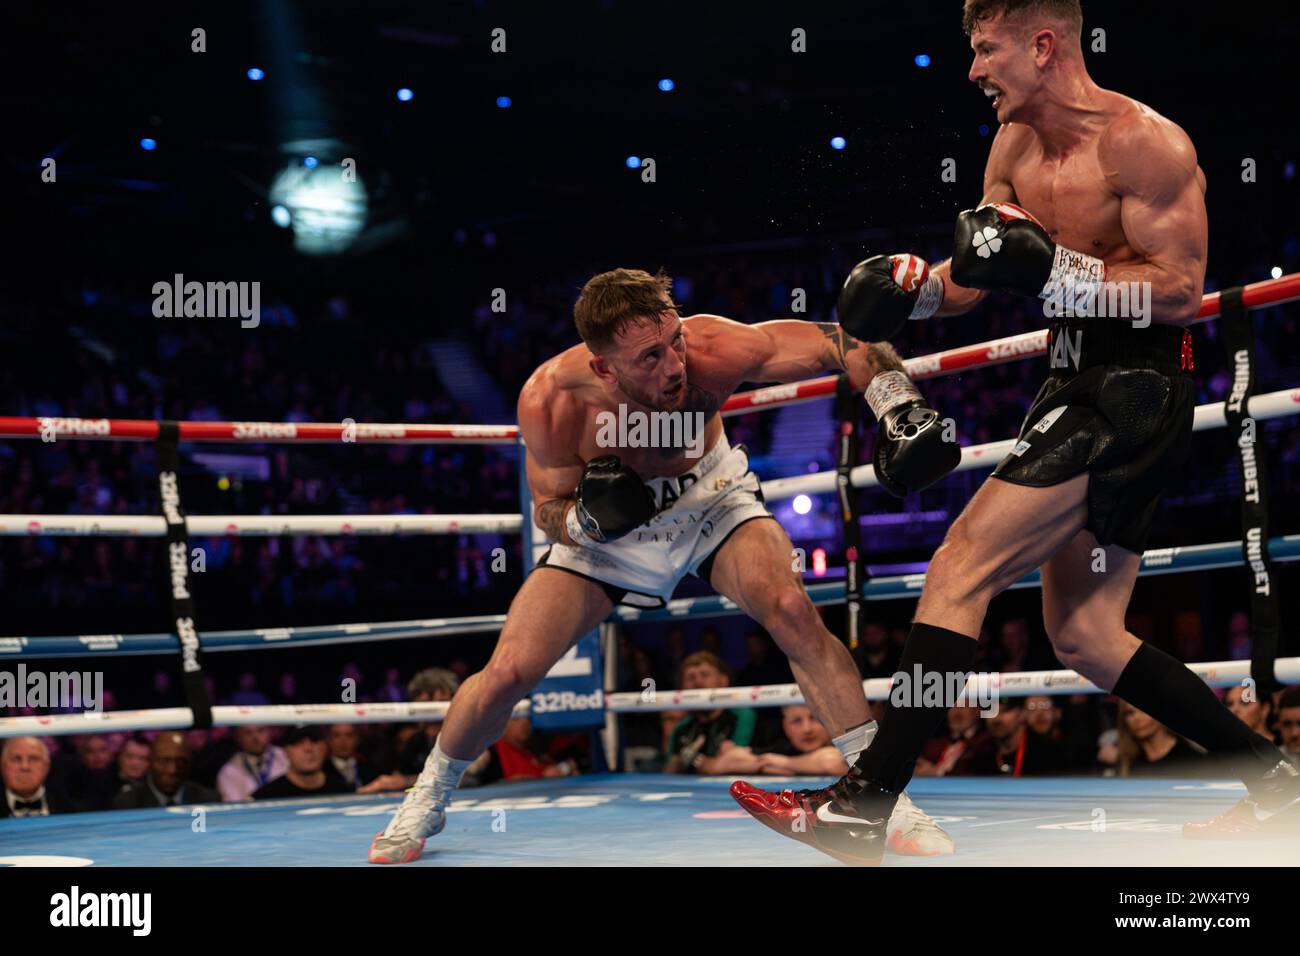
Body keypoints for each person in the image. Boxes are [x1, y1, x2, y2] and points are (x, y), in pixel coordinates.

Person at [733, 0, 1296, 862]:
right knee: (1085, 636)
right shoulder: (1011, 149)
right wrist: (915, 289)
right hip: (1073, 377)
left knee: (960, 562)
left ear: (1042, 45)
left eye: (985, 49)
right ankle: (1275, 784)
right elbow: (981, 272)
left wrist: (1061, 273)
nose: (973, 70)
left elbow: (1181, 289)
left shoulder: (1147, 144)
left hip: (1140, 382)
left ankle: (864, 804)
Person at [367, 266, 959, 863]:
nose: (674, 365)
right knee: (508, 674)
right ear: (604, 365)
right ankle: (426, 798)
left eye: (673, 340)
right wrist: (584, 522)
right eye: (649, 356)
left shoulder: (710, 348)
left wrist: (899, 407)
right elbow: (548, 504)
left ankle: (882, 799)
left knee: (790, 609)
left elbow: (844, 339)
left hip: (710, 500)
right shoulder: (551, 397)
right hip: (607, 540)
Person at [113, 733, 219, 808]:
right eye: (164, 761)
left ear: (190, 765)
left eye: (180, 762)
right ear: (150, 762)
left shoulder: (208, 800)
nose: (172, 770)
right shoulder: (128, 803)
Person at [252, 725, 354, 800]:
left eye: (314, 740)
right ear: (286, 751)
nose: (308, 748)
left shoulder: (342, 790)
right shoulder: (266, 797)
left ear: (325, 747)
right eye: (298, 742)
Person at [1, 736, 77, 818]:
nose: (25, 766)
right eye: (16, 759)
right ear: (2, 765)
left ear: (47, 766)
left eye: (33, 759)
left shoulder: (73, 809)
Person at [216, 725, 289, 802]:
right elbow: (233, 808)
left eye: (260, 730)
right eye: (248, 733)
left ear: (270, 732)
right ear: (238, 737)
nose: (255, 737)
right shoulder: (228, 772)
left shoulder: (287, 756)